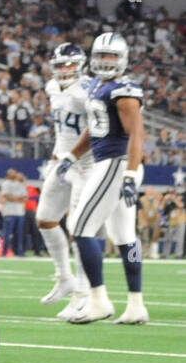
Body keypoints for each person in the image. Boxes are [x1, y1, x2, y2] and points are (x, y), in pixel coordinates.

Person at [55, 32, 147, 325]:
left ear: (122, 59)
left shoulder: (124, 90)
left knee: (80, 227)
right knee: (124, 238)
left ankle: (98, 300)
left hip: (117, 164)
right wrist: (71, 155)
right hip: (110, 162)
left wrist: (131, 173)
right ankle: (136, 305)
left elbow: (137, 135)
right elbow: (94, 129)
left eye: (112, 56)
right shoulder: (96, 85)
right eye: (102, 55)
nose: (106, 62)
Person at [35, 42, 92, 316]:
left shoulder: (88, 90)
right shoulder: (51, 87)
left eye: (70, 65)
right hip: (60, 162)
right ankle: (65, 278)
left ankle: (84, 293)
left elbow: (96, 130)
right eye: (60, 66)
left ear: (80, 65)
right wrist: (61, 155)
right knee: (45, 219)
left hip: (85, 165)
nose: (65, 70)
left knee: (79, 226)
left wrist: (72, 155)